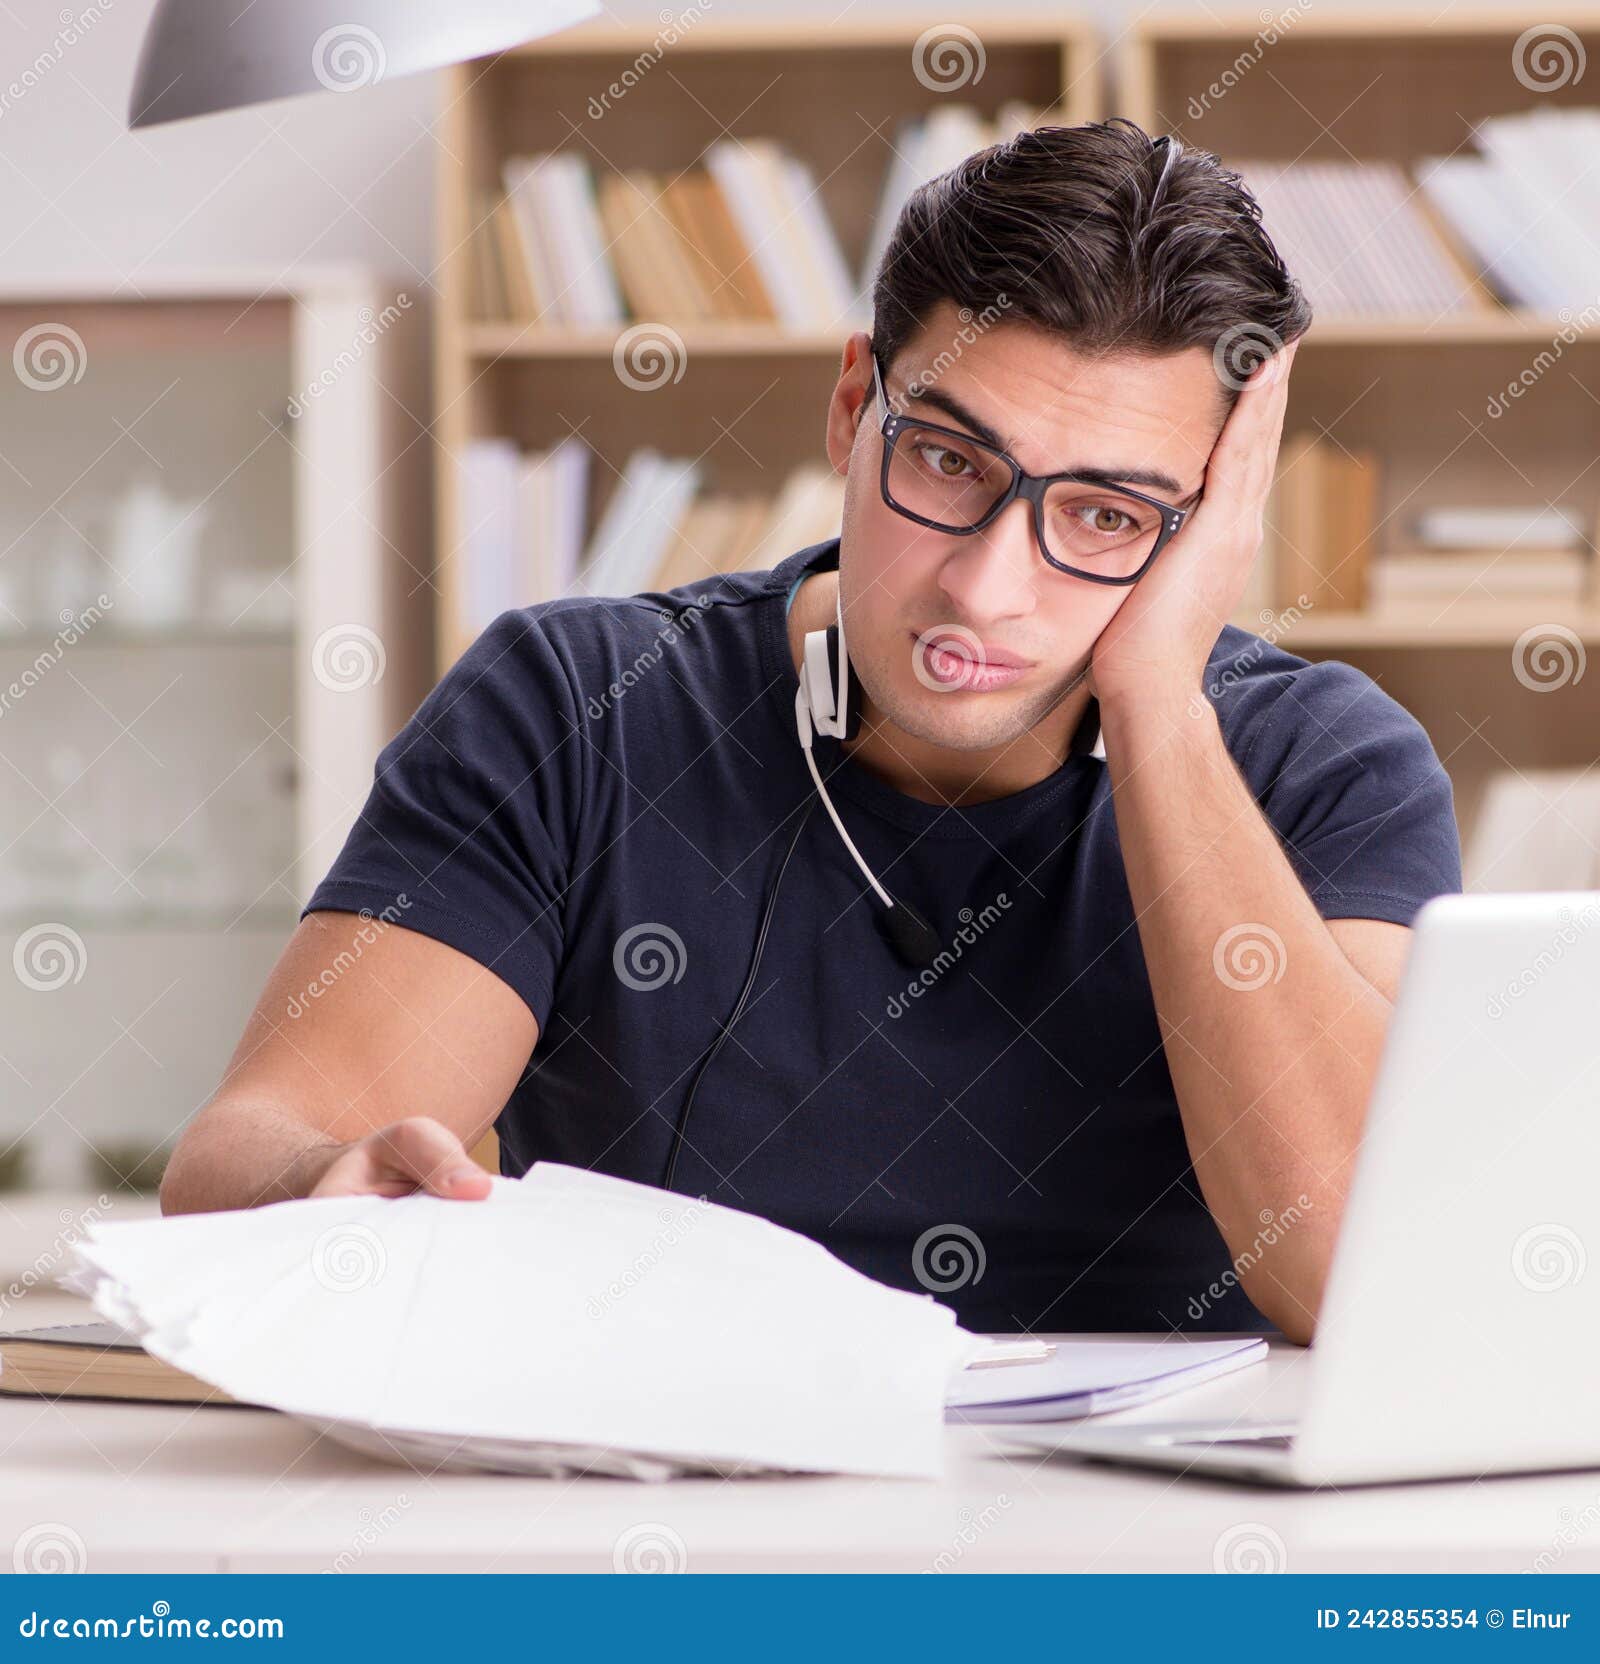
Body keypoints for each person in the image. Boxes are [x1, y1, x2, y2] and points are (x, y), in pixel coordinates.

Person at [161, 120, 1460, 1344]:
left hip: (1150, 1512)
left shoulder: (1326, 765)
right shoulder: (571, 706)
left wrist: (1162, 704)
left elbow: (1356, 1277)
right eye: (948, 459)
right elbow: (246, 1149)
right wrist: (320, 1184)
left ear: (1205, 535)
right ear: (852, 408)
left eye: (1108, 516)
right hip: (677, 1487)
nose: (986, 587)